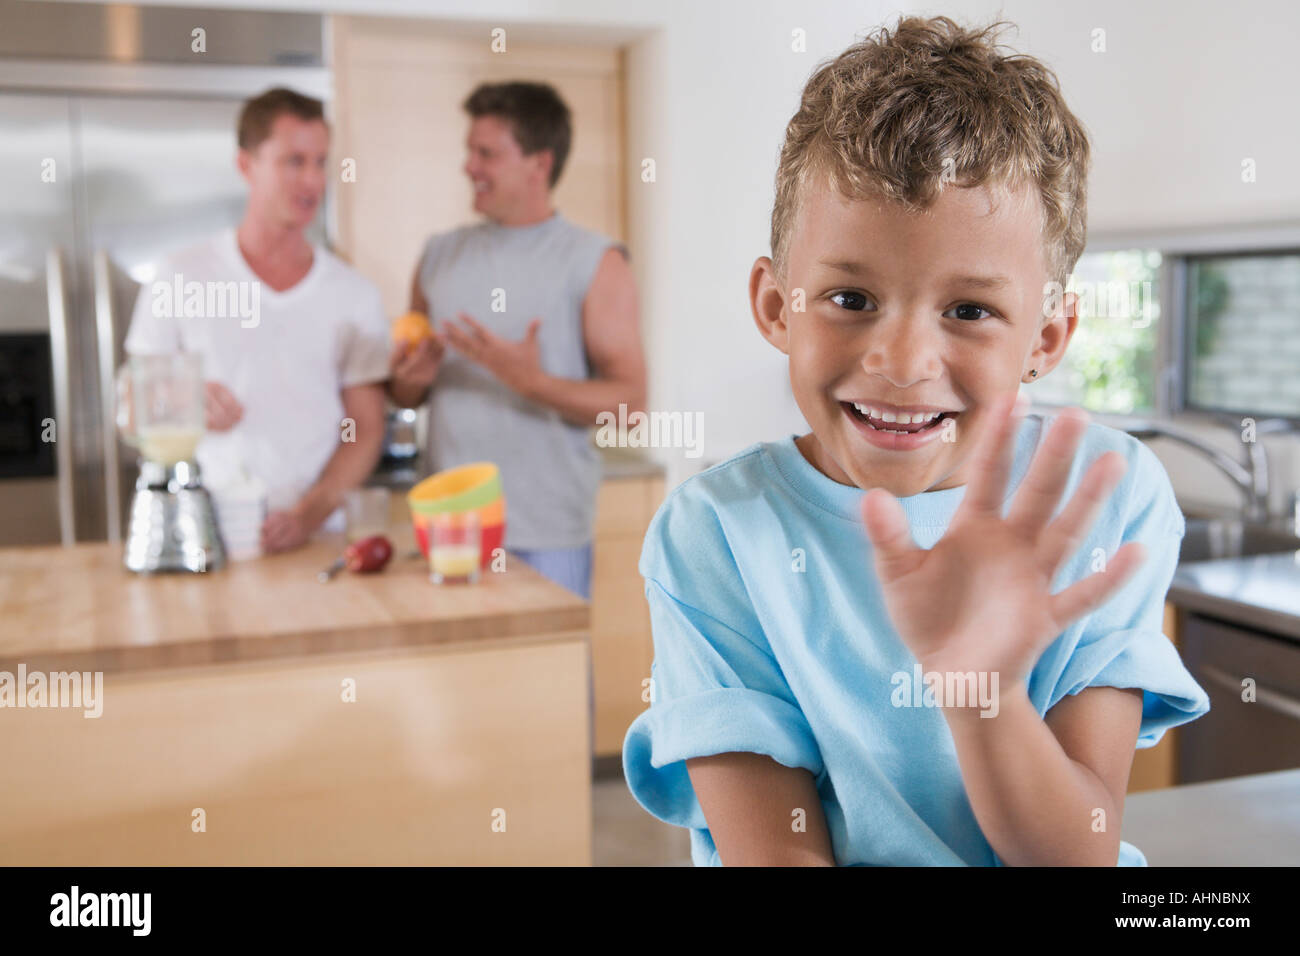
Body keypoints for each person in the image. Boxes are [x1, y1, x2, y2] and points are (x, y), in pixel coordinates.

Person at [622, 15, 1210, 866]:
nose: (900, 362)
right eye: (851, 299)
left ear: (1045, 340)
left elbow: (1076, 853)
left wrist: (981, 688)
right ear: (776, 306)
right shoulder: (715, 535)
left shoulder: (1111, 495)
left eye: (969, 310)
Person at [388, 82, 645, 601]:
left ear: (539, 164)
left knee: (554, 684)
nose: (469, 166)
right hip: (449, 529)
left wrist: (528, 381)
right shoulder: (438, 256)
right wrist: (407, 384)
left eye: (486, 153)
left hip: (546, 532)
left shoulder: (595, 261)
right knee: (454, 684)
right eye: (469, 151)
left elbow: (630, 406)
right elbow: (405, 394)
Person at [124, 87, 389, 553]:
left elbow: (365, 428)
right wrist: (182, 400)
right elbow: (130, 407)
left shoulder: (354, 295)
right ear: (245, 166)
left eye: (320, 161)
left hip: (317, 543)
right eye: (293, 161)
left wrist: (311, 512)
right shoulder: (181, 275)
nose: (312, 180)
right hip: (201, 538)